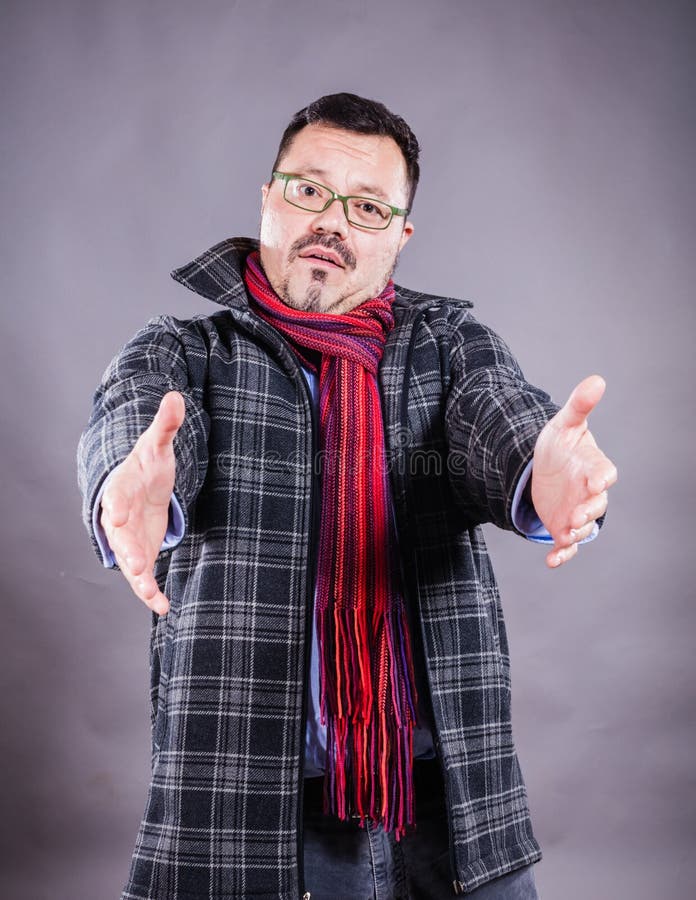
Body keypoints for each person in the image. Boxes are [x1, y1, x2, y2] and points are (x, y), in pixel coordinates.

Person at [77, 93, 617, 900]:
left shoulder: (449, 345)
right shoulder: (183, 349)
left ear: (398, 235)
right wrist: (130, 481)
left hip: (446, 808)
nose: (331, 220)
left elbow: (498, 416)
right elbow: (139, 423)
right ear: (267, 197)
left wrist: (543, 471)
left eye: (366, 206)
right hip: (243, 809)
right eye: (308, 190)